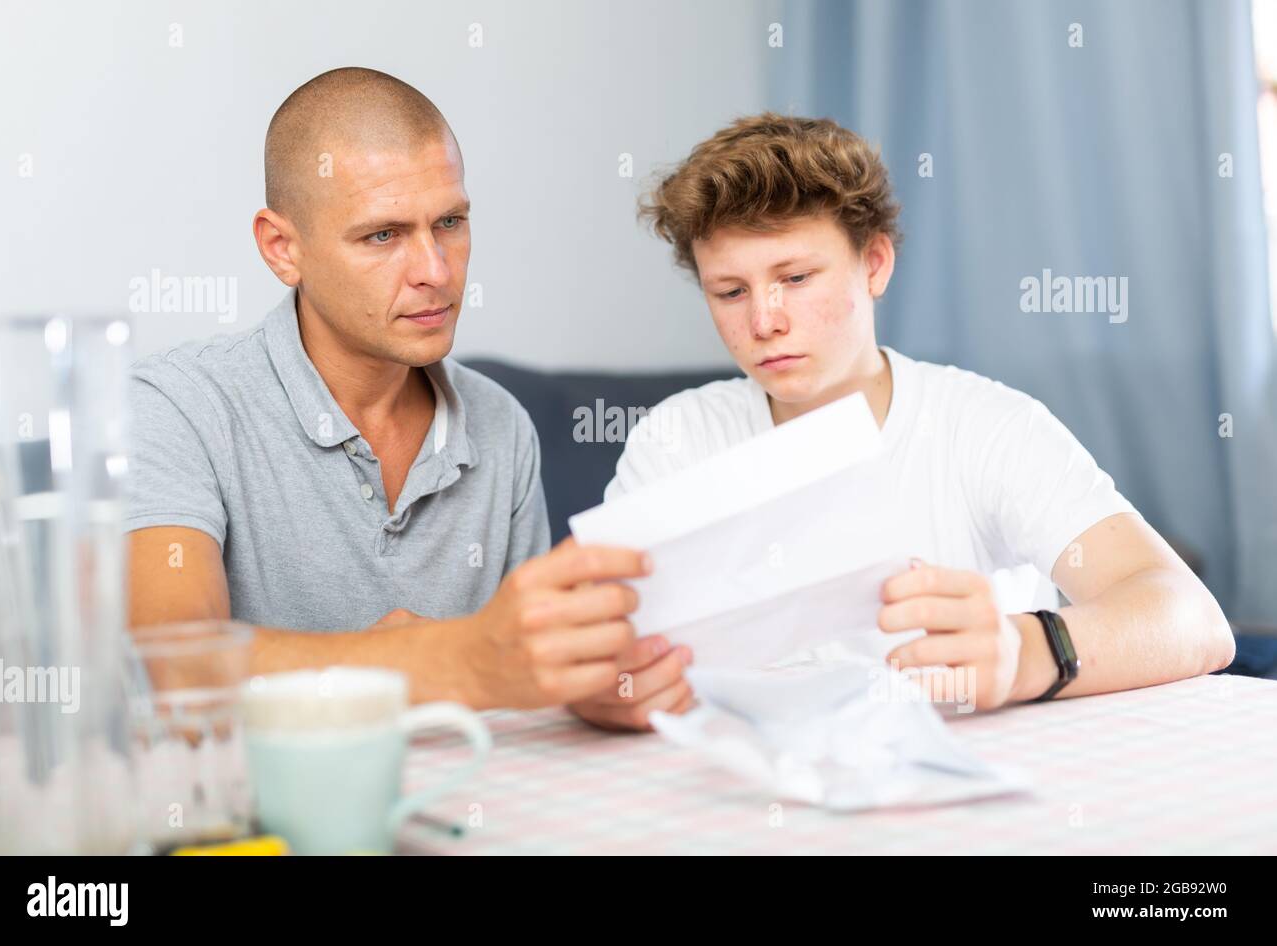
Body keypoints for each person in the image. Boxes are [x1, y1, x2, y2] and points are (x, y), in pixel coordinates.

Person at [568, 112, 1235, 729]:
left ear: (875, 264)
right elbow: (588, 645)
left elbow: (1191, 618)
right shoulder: (678, 438)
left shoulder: (986, 428)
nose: (763, 320)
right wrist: (601, 690)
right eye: (730, 292)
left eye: (796, 277)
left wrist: (1024, 651)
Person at [126, 67, 659, 712]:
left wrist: (586, 689)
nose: (435, 272)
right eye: (383, 235)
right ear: (281, 248)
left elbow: (523, 682)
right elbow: (179, 669)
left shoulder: (501, 424)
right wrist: (454, 660)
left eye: (451, 222)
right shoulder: (175, 407)